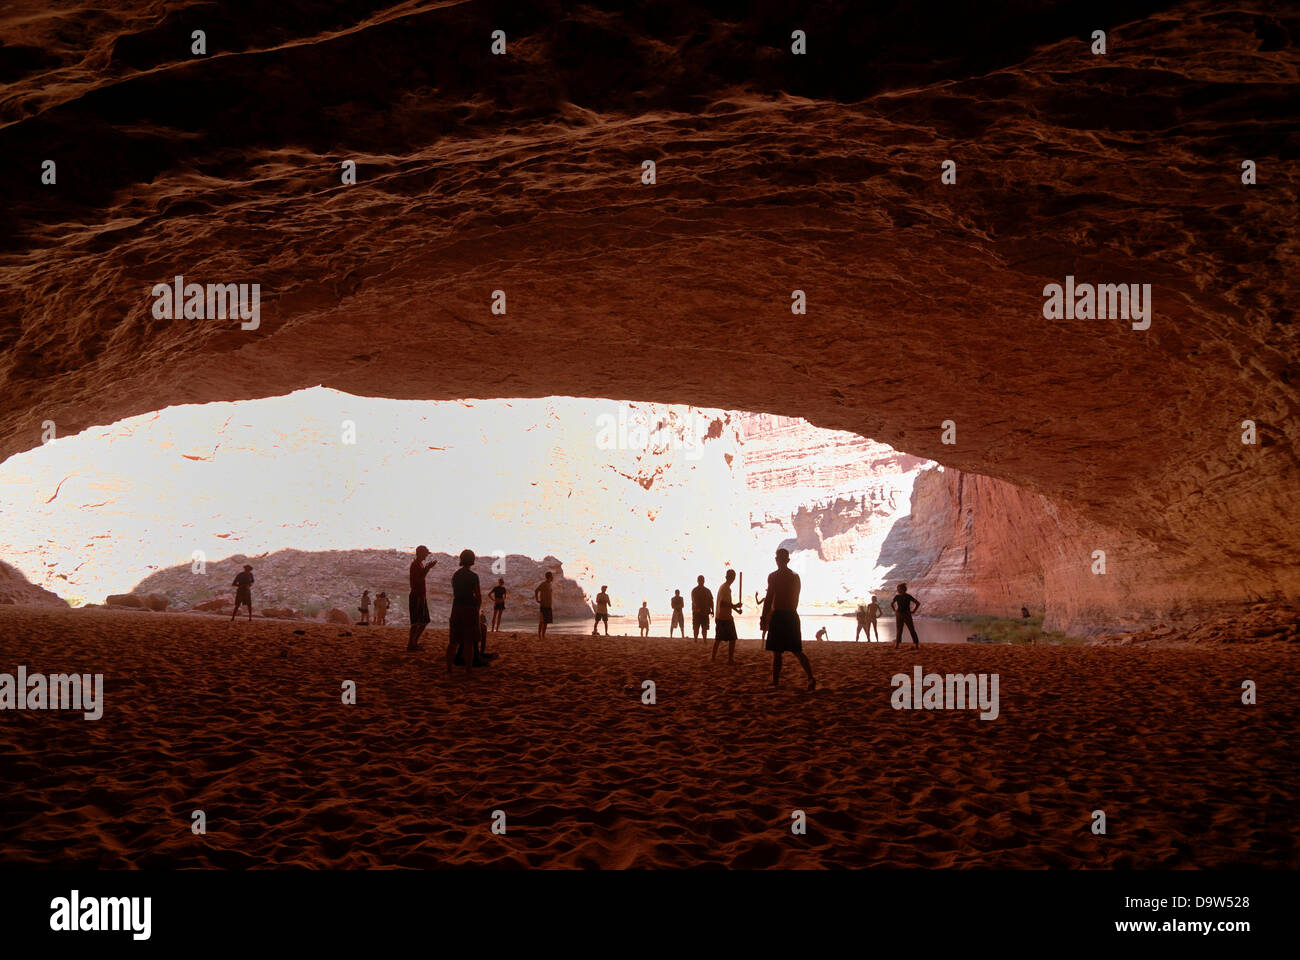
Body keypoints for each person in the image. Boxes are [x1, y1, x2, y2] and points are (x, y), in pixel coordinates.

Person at [761, 548, 815, 690]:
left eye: (779, 559)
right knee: (794, 650)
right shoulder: (793, 577)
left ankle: (777, 681)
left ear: (779, 560)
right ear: (786, 560)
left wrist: (764, 616)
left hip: (780, 616)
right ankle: (809, 677)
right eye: (779, 558)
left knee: (780, 651)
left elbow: (769, 599)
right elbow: (792, 599)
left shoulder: (774, 577)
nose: (779, 561)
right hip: (789, 615)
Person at [447, 549, 481, 676]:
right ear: (472, 560)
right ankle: (468, 669)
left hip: (456, 608)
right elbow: (478, 595)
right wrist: (477, 608)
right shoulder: (474, 576)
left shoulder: (455, 575)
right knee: (468, 641)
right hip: (469, 609)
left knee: (453, 641)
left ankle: (449, 668)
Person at [407, 546, 438, 652]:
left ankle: (413, 643)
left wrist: (426, 568)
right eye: (425, 553)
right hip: (417, 596)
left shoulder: (418, 564)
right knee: (417, 622)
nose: (426, 556)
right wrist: (427, 568)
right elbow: (419, 580)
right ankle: (412, 644)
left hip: (420, 596)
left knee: (422, 621)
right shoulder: (416, 565)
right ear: (420, 553)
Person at [711, 569, 742, 664]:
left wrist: (736, 610)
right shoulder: (725, 588)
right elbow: (723, 603)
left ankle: (713, 657)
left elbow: (727, 603)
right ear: (732, 578)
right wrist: (735, 606)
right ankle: (730, 659)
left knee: (719, 638)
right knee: (732, 638)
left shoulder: (724, 587)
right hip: (724, 617)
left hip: (721, 616)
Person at [891, 582, 921, 648]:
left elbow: (891, 604)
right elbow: (918, 603)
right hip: (906, 614)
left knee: (900, 629)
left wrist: (895, 611)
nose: (897, 590)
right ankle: (916, 644)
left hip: (900, 614)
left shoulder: (898, 596)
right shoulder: (907, 596)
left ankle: (897, 645)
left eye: (898, 589)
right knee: (910, 629)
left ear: (902, 589)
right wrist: (913, 611)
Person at [691, 575, 714, 640]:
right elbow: (694, 601)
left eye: (702, 580)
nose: (701, 581)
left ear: (703, 581)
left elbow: (711, 601)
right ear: (698, 581)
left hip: (704, 612)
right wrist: (698, 609)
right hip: (697, 613)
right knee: (696, 628)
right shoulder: (695, 590)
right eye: (700, 580)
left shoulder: (707, 591)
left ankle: (704, 640)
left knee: (704, 628)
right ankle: (696, 639)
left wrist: (712, 611)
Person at [534, 571, 554, 640]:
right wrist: (537, 600)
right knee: (542, 621)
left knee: (546, 622)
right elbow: (536, 590)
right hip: (543, 606)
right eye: (552, 576)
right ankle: (539, 636)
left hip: (548, 606)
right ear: (549, 577)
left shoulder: (550, 584)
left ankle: (543, 635)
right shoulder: (543, 584)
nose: (553, 577)